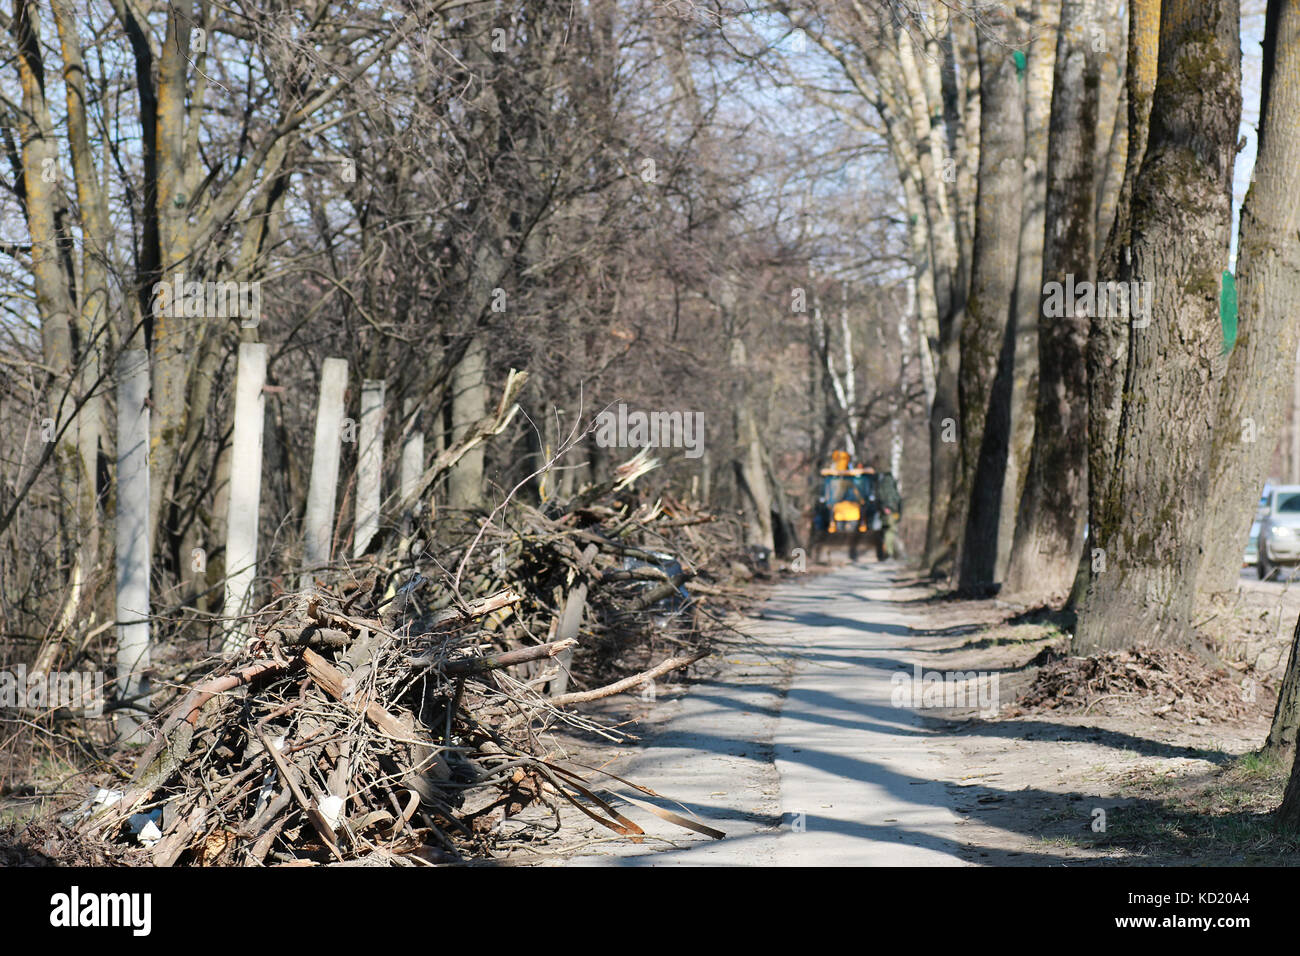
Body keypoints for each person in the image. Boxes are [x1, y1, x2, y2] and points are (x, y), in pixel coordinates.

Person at [876, 470, 903, 560]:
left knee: (887, 531)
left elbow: (879, 499)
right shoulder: (892, 486)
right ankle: (889, 553)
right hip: (893, 512)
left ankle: (888, 552)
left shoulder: (882, 485)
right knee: (890, 531)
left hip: (885, 513)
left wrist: (883, 508)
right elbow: (899, 500)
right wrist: (899, 513)